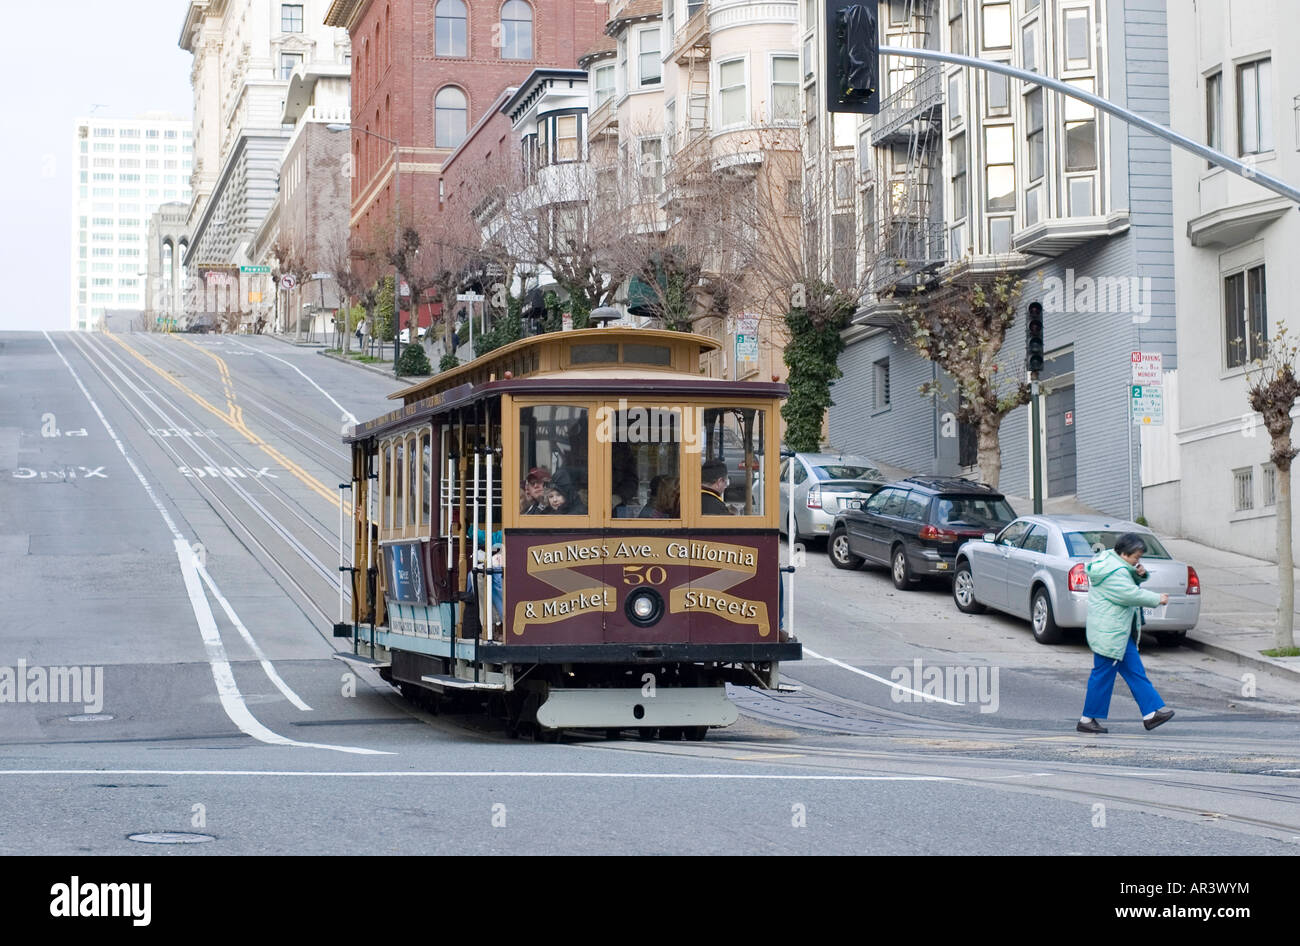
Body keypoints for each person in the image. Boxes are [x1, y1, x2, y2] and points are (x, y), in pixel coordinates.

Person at [1077, 532, 1174, 734]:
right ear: (1123, 553)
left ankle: (1151, 713)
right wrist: (1157, 599)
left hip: (1118, 633)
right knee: (1102, 676)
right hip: (1110, 633)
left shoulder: (1111, 561)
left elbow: (1128, 583)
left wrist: (1139, 573)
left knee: (1135, 671)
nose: (1137, 561)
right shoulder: (1115, 572)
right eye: (1135, 557)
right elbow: (1129, 594)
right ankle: (1086, 719)